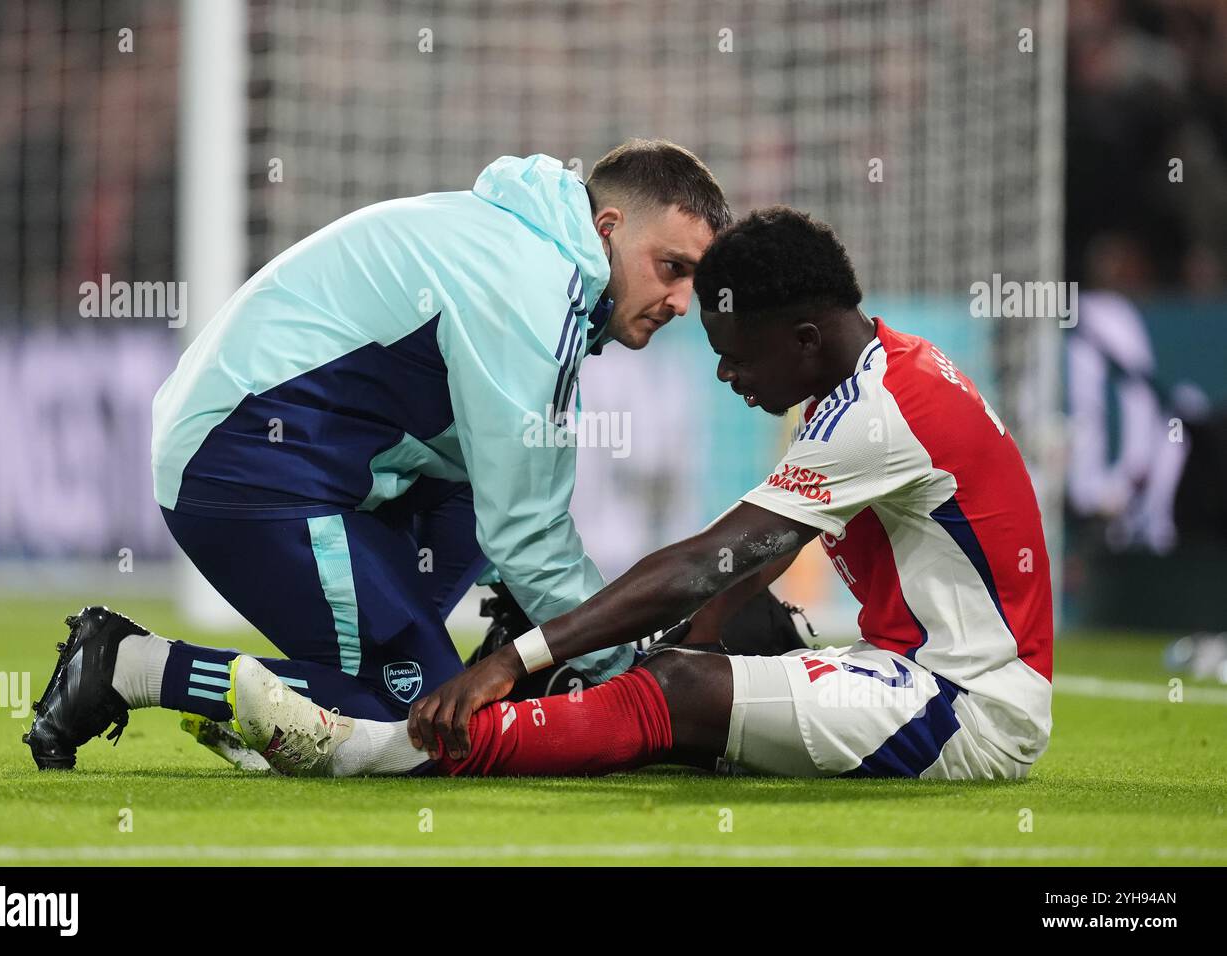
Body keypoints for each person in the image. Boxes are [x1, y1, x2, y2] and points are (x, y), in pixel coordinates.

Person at [223, 205, 1055, 781]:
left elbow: (708, 559)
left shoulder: (879, 412)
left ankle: (377, 750)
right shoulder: (878, 371)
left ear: (804, 338)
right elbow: (775, 544)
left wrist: (517, 659)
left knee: (681, 686)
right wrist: (707, 626)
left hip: (968, 707)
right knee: (692, 662)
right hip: (910, 668)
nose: (725, 376)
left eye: (736, 355)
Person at [23, 140, 729, 771]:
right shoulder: (532, 286)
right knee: (426, 721)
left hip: (291, 455)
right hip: (245, 461)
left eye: (694, 281)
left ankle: (331, 696)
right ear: (607, 228)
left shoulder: (528, 248)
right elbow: (526, 530)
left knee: (464, 557)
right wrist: (625, 669)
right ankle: (129, 665)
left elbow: (503, 485)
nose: (681, 302)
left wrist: (544, 632)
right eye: (672, 267)